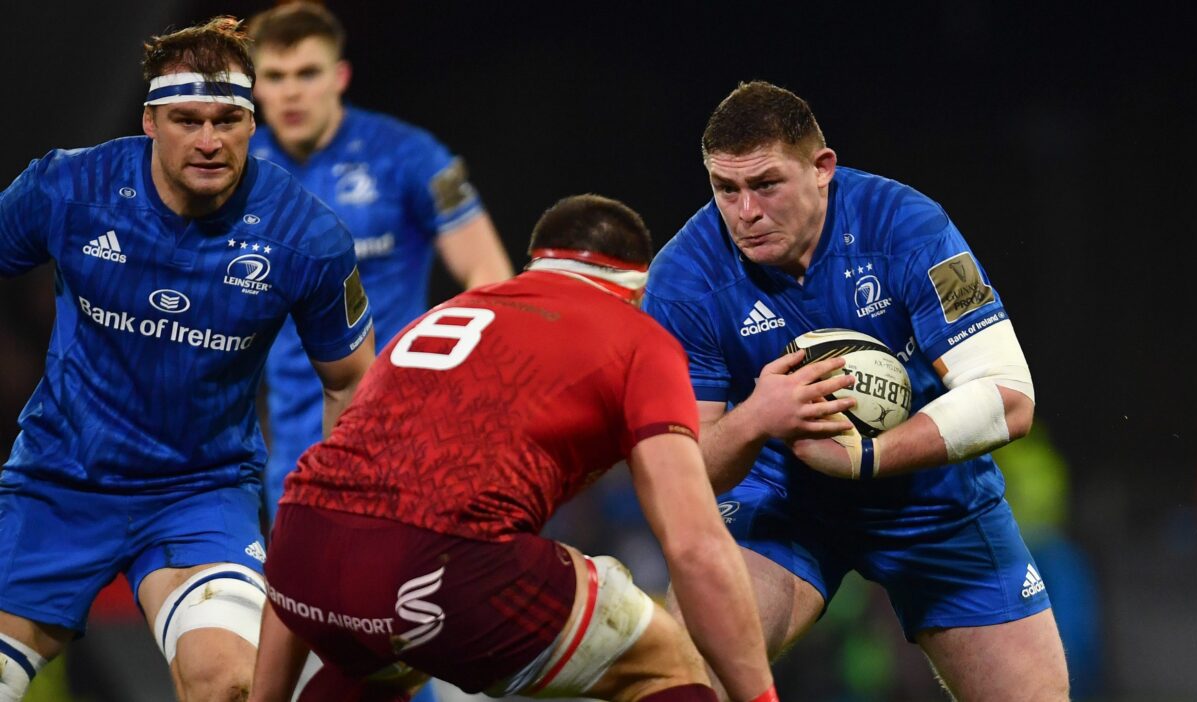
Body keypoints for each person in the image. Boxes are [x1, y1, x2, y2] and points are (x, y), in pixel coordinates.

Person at [247, 195, 803, 702]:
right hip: (439, 564)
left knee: (382, 663)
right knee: (663, 658)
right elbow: (694, 546)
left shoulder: (443, 315)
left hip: (298, 550)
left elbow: (328, 494)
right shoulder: (639, 338)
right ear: (636, 289)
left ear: (536, 267)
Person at [642, 81, 1070, 701]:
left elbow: (1008, 396)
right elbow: (681, 472)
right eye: (724, 189)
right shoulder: (684, 277)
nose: (744, 213)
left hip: (931, 497)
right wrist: (756, 419)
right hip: (782, 497)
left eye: (765, 184)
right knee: (680, 671)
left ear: (822, 169)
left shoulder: (908, 227)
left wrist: (866, 457)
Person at [0, 16, 375, 702]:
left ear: (252, 123)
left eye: (227, 120)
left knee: (229, 686)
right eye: (186, 119)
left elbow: (351, 383)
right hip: (59, 481)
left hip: (198, 496)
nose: (208, 141)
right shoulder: (67, 189)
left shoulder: (306, 236)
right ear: (149, 121)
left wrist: (343, 521)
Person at [244, 1, 513, 524]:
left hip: (405, 435)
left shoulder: (408, 156)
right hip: (295, 447)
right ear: (255, 86)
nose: (291, 91)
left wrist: (448, 386)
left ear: (339, 76)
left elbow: (491, 276)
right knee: (305, 601)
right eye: (275, 76)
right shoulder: (238, 170)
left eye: (307, 73)